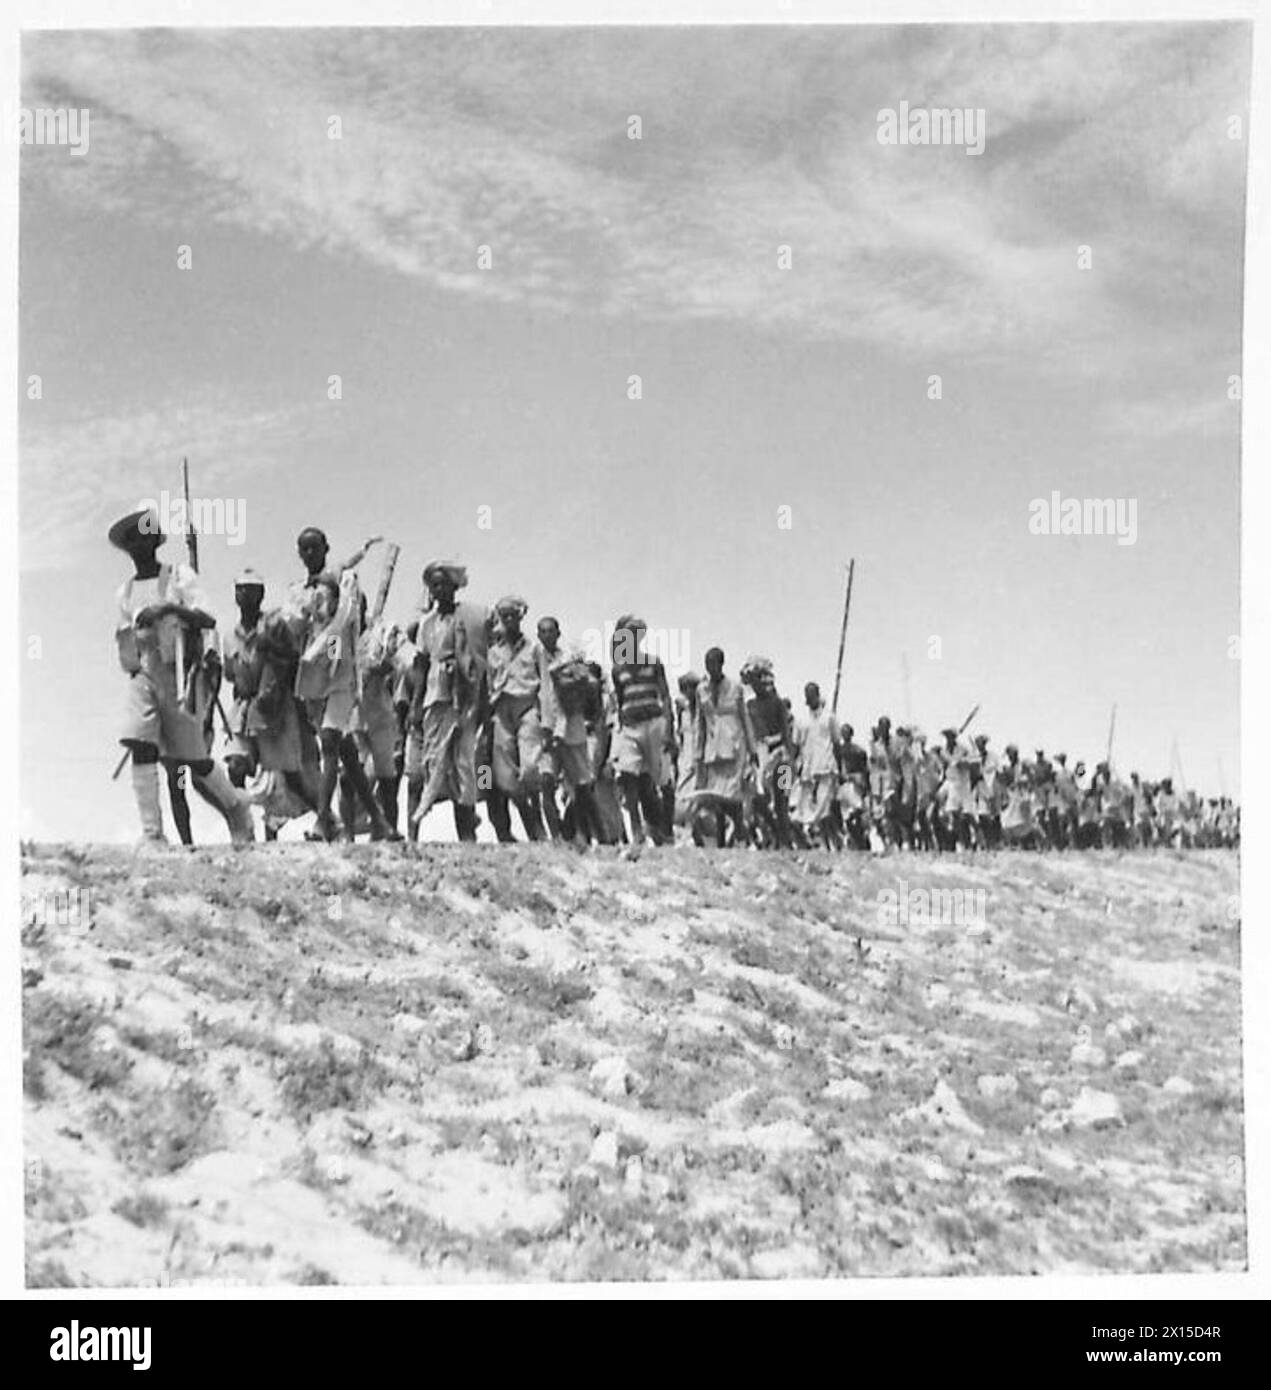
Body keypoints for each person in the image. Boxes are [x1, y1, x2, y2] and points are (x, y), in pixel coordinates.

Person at [111, 507, 254, 846]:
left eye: (143, 538)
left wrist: (169, 609)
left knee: (193, 759)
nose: (138, 546)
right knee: (139, 741)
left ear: (155, 542)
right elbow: (125, 642)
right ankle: (152, 833)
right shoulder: (125, 592)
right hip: (143, 673)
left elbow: (207, 619)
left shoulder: (178, 576)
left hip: (178, 676)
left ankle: (236, 807)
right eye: (132, 541)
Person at [296, 571, 400, 842]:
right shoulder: (314, 626)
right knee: (349, 760)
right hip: (319, 694)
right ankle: (379, 820)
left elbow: (332, 662)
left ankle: (323, 820)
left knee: (329, 744)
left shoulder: (340, 629)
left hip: (341, 689)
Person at [222, 568, 319, 839]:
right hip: (244, 706)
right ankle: (241, 828)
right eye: (241, 590)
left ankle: (316, 819)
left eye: (252, 590)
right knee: (235, 765)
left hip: (274, 706)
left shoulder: (275, 625)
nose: (246, 595)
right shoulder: (230, 636)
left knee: (279, 775)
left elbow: (293, 658)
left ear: (261, 594)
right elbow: (230, 674)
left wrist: (271, 648)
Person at [407, 562, 487, 842]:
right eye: (434, 585)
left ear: (454, 587)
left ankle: (467, 834)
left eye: (444, 585)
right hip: (434, 695)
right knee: (433, 760)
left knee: (463, 763)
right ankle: (414, 830)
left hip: (463, 698)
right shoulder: (427, 624)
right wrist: (416, 704)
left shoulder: (469, 619)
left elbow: (478, 662)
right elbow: (420, 663)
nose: (439, 590)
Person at [535, 616, 604, 845]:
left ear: (558, 633)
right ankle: (555, 836)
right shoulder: (534, 658)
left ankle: (589, 834)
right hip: (544, 726)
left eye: (550, 631)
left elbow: (589, 687)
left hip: (571, 726)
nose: (547, 636)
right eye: (542, 631)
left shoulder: (568, 659)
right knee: (546, 781)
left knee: (582, 785)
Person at [609, 615, 677, 846]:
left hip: (654, 724)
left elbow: (665, 696)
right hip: (630, 726)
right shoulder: (618, 670)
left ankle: (664, 830)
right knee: (628, 775)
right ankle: (636, 831)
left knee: (661, 780)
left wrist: (669, 730)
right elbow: (620, 700)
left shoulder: (653, 663)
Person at [487, 596, 547, 842]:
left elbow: (546, 686)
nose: (508, 620)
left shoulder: (534, 649)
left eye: (513, 615)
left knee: (530, 769)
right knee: (497, 779)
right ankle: (508, 830)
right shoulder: (492, 653)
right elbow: (487, 685)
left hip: (526, 708)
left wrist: (548, 721)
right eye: (504, 616)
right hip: (499, 714)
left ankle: (538, 829)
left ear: (520, 617)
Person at [693, 648, 755, 848]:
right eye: (707, 664)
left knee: (733, 799)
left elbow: (745, 720)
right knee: (716, 800)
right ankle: (721, 841)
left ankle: (742, 836)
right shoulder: (701, 691)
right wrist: (698, 754)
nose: (711, 668)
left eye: (714, 664)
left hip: (734, 749)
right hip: (713, 752)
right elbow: (700, 724)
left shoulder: (735, 689)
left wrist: (752, 750)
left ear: (721, 664)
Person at [741, 656, 798, 850]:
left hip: (781, 754)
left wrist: (791, 760)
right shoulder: (750, 706)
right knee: (758, 799)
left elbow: (786, 732)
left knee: (782, 799)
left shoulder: (777, 703)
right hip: (761, 755)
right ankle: (775, 833)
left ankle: (785, 841)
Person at [793, 681, 841, 850]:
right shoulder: (801, 721)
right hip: (807, 768)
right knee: (811, 808)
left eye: (813, 694)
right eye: (807, 694)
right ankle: (833, 840)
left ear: (818, 695)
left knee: (821, 806)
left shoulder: (829, 718)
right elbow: (796, 746)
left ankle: (822, 836)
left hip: (826, 766)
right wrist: (792, 769)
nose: (810, 697)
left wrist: (840, 770)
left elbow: (837, 744)